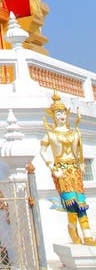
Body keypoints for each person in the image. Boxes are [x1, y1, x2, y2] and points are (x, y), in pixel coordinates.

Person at [40, 90, 95, 246]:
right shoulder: (51, 134)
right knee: (72, 204)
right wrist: (52, 168)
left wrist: (82, 164)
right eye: (58, 113)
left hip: (75, 170)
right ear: (53, 116)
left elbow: (79, 151)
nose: (62, 116)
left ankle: (88, 235)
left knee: (82, 204)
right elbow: (43, 151)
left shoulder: (74, 133)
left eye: (63, 112)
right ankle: (73, 231)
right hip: (62, 171)